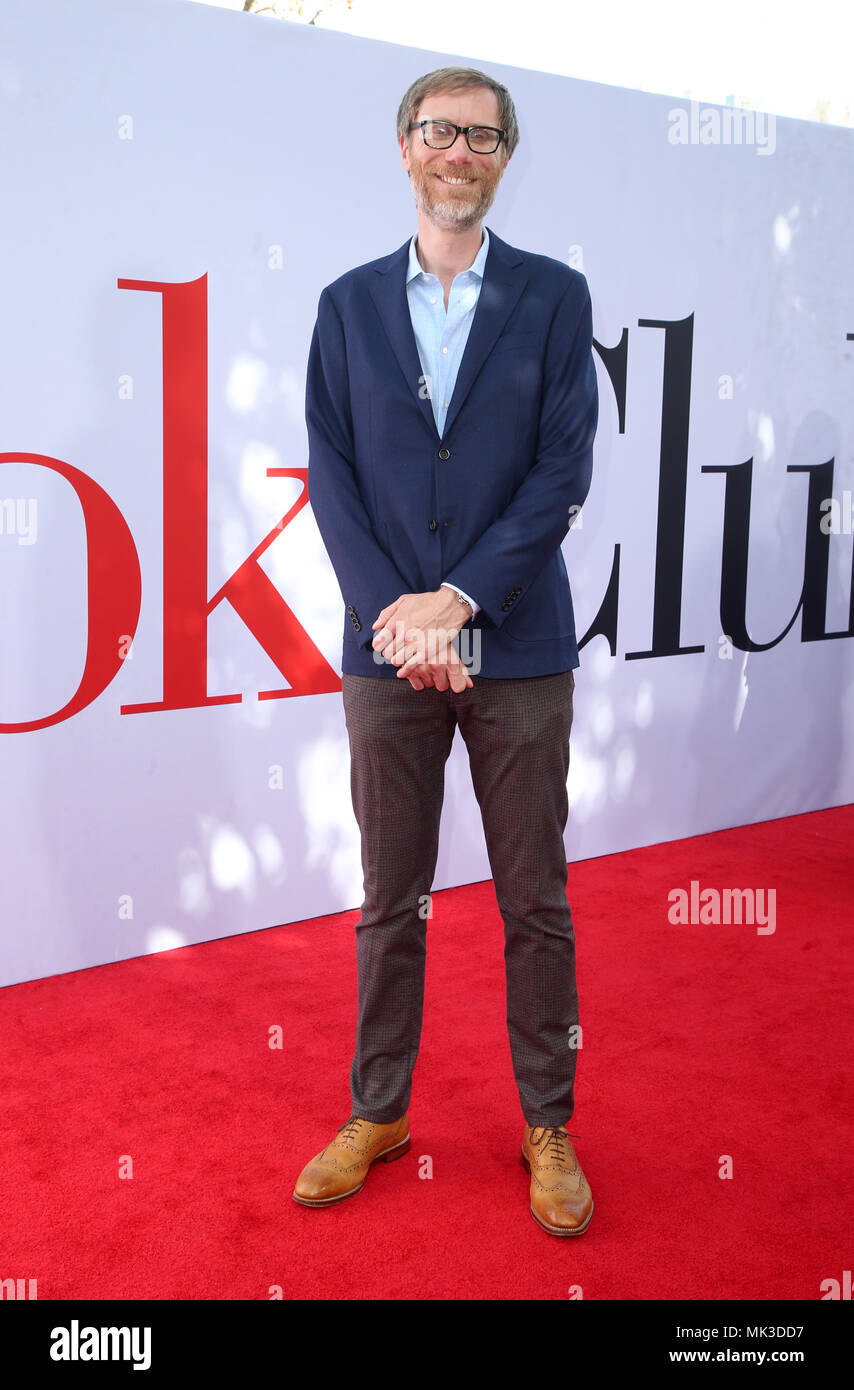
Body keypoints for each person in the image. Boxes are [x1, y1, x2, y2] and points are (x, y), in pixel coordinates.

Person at [294, 65, 598, 1236]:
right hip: (386, 658)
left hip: (518, 649)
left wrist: (458, 601)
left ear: (504, 156)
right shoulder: (343, 304)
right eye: (438, 131)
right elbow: (333, 475)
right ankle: (379, 1112)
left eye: (480, 134)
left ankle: (547, 1124)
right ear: (405, 150)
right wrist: (400, 617)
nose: (457, 151)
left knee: (536, 902)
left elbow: (559, 473)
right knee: (389, 899)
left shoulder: (556, 298)